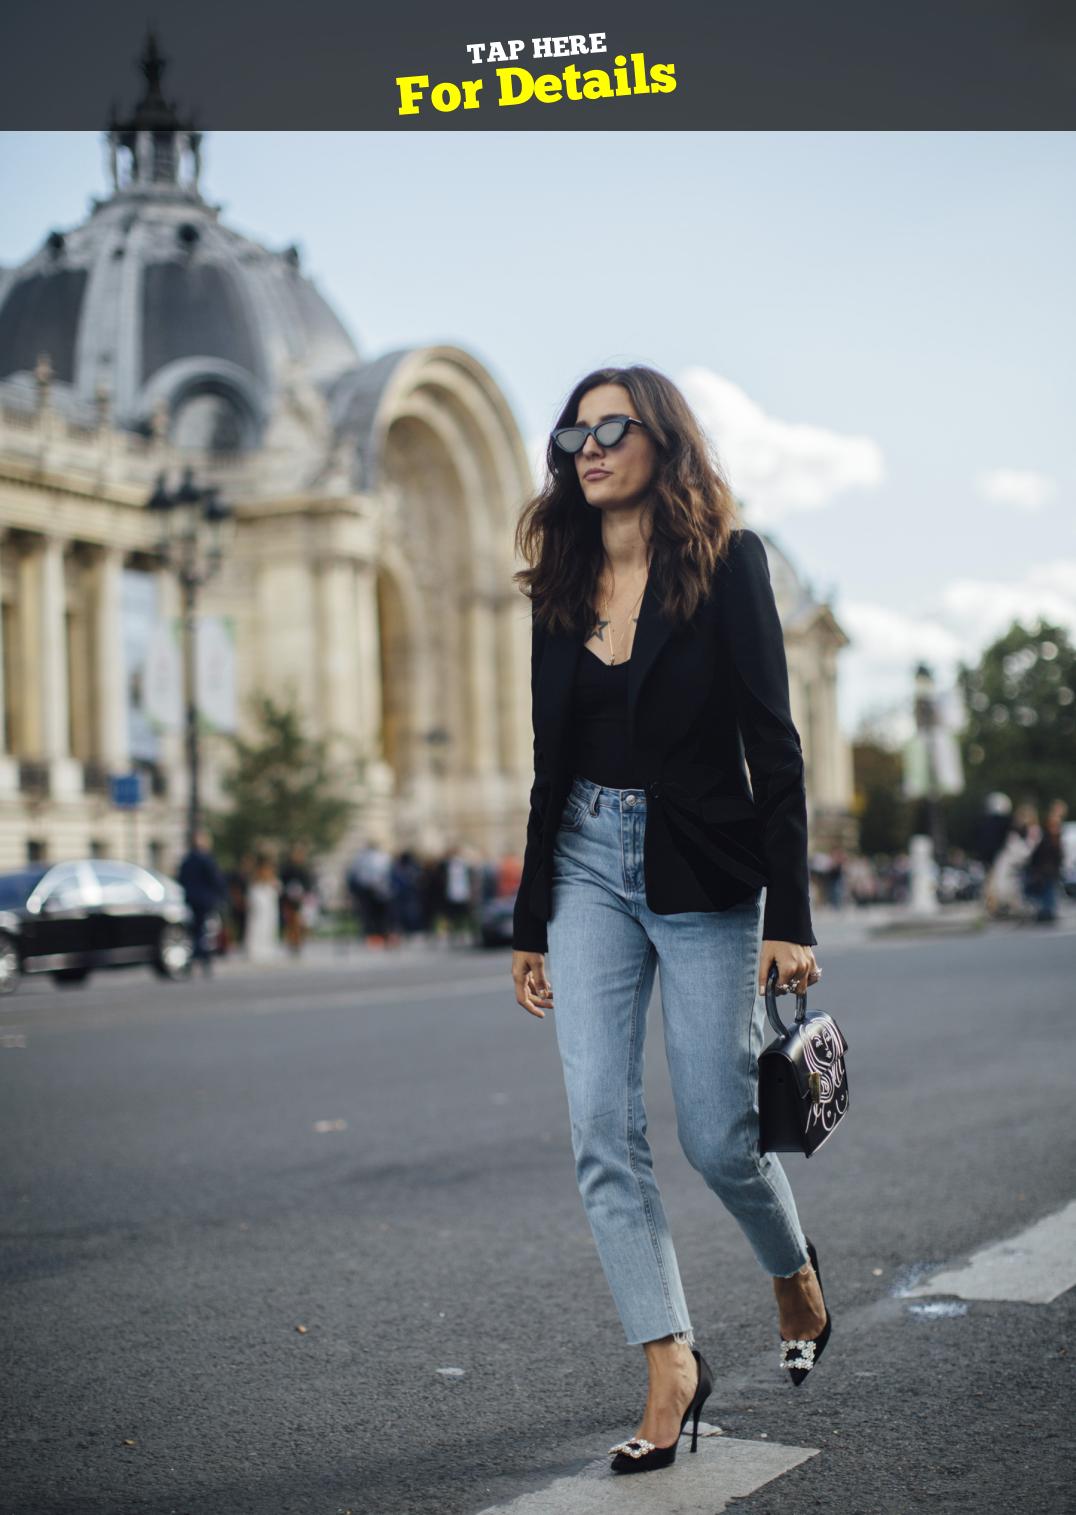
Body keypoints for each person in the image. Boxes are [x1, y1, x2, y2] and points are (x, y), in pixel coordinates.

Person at [510, 365, 827, 1474]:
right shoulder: (558, 578)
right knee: (600, 1125)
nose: (588, 446)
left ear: (660, 442)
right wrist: (529, 914)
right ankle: (669, 1360)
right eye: (573, 431)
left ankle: (790, 1270)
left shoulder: (726, 565)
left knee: (716, 1136)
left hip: (703, 869)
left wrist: (789, 914)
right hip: (587, 860)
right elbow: (552, 760)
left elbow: (772, 745)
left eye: (612, 427)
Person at [177, 827, 227, 976]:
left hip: (191, 899)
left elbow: (181, 879)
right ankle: (201, 957)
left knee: (196, 930)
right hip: (204, 899)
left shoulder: (187, 860)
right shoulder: (205, 859)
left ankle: (196, 958)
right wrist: (222, 895)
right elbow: (215, 879)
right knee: (203, 931)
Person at [279, 841, 315, 955]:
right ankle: (292, 942)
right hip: (289, 901)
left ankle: (299, 942)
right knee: (291, 922)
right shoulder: (287, 869)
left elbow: (308, 885)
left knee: (300, 923)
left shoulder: (304, 870)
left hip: (301, 900)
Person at [246, 853, 282, 962]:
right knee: (258, 927)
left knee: (269, 928)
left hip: (269, 911)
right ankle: (256, 950)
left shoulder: (272, 882)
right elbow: (253, 896)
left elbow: (277, 891)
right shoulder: (255, 884)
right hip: (259, 911)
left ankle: (268, 949)